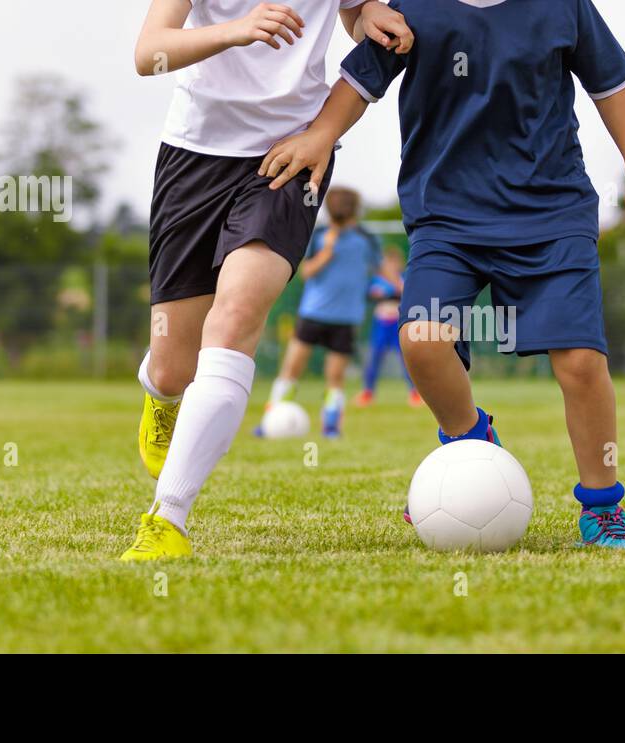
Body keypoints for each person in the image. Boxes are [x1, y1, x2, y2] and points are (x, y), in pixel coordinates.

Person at [259, 0, 625, 548]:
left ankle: (602, 507)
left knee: (580, 362)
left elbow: (611, 86)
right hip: (447, 217)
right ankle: (475, 444)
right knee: (422, 340)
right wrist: (320, 135)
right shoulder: (410, 7)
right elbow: (359, 81)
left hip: (552, 212)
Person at [123, 0, 414, 561]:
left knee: (233, 322)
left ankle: (167, 521)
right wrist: (235, 31)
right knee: (171, 367)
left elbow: (353, 19)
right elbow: (148, 54)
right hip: (193, 158)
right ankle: (162, 397)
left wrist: (367, 16)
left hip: (289, 155)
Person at [265, 187, 381, 437]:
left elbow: (381, 269)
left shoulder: (367, 239)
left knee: (335, 377)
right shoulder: (319, 235)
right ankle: (271, 419)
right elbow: (306, 273)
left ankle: (330, 425)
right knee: (291, 370)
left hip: (347, 317)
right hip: (313, 314)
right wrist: (327, 252)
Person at [357, 246, 422, 407]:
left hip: (398, 324)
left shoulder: (403, 278)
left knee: (406, 360)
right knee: (375, 359)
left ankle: (415, 393)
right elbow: (371, 295)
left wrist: (393, 282)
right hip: (381, 324)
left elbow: (405, 294)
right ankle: (368, 392)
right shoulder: (377, 280)